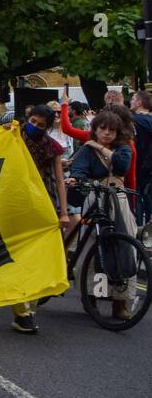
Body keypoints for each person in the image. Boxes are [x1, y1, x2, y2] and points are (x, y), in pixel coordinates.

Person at [66, 109, 138, 319]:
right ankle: (92, 297)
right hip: (95, 201)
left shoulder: (124, 148)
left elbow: (122, 165)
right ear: (95, 129)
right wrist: (75, 179)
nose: (106, 133)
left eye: (111, 130)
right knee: (93, 248)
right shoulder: (85, 151)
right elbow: (79, 170)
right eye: (102, 129)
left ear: (118, 132)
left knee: (126, 249)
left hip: (119, 202)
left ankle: (120, 303)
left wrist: (97, 146)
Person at [10, 105, 69, 335]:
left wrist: (63, 212)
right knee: (19, 258)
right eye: (33, 121)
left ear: (47, 128)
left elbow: (59, 180)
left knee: (38, 260)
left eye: (41, 125)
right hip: (16, 204)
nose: (35, 127)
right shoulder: (12, 137)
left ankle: (29, 309)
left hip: (44, 205)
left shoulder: (52, 148)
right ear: (28, 118)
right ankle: (21, 312)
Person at [129, 90, 152, 225]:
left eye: (133, 99)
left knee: (136, 196)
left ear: (139, 102)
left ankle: (138, 227)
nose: (131, 102)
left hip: (138, 164)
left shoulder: (134, 121)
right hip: (149, 166)